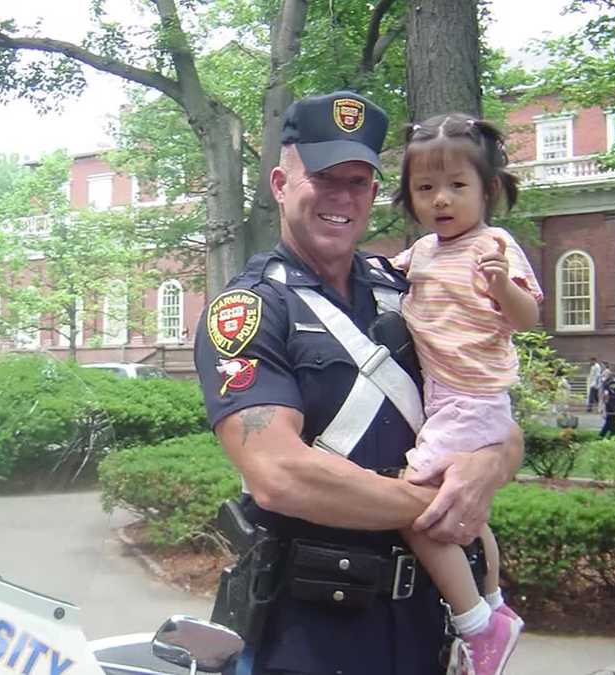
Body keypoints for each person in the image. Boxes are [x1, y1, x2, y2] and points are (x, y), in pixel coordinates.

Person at [193, 91, 524, 675]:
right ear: (279, 183)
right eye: (323, 178)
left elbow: (493, 417)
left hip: (423, 625)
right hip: (311, 634)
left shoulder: (412, 289)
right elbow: (279, 476)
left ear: (374, 192)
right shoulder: (249, 310)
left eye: (358, 181)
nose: (342, 197)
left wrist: (484, 470)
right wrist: (435, 507)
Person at [388, 113, 542, 674]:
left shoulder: (493, 245)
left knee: (412, 508)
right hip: (445, 399)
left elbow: (526, 317)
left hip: (474, 400)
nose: (441, 200)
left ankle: (478, 623)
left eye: (457, 186)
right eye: (425, 189)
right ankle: (497, 603)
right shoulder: (423, 251)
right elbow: (385, 274)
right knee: (467, 513)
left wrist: (502, 285)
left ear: (489, 190)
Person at [598, 370, 615, 438]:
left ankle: (603, 435)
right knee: (612, 420)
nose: (602, 377)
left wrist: (603, 405)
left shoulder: (607, 384)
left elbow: (606, 395)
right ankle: (614, 434)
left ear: (607, 376)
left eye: (603, 375)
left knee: (610, 420)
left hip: (609, 404)